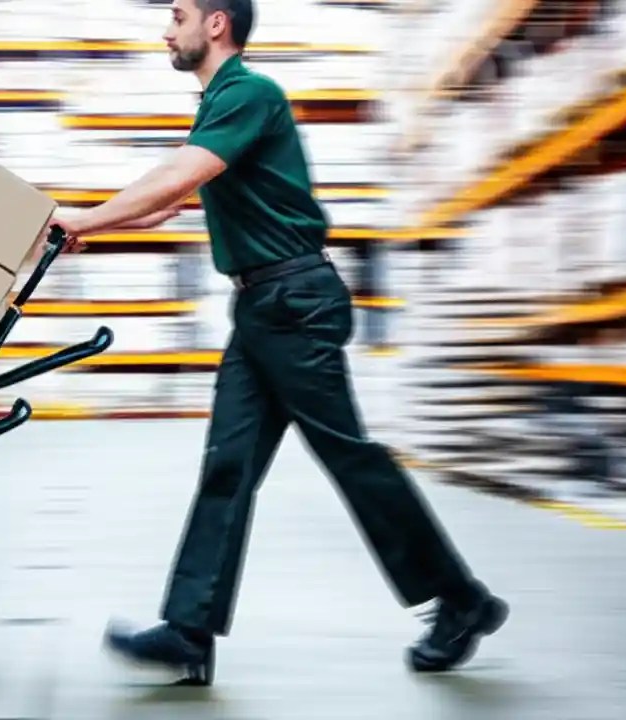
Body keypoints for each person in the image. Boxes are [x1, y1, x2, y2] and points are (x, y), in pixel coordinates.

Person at [47, 0, 508, 685]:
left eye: (176, 15)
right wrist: (94, 227)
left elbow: (180, 177)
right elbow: (171, 200)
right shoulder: (222, 106)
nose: (164, 29)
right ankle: (188, 633)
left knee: (348, 455)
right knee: (228, 464)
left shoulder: (249, 93)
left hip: (293, 303)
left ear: (216, 24)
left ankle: (461, 600)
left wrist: (85, 213)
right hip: (263, 307)